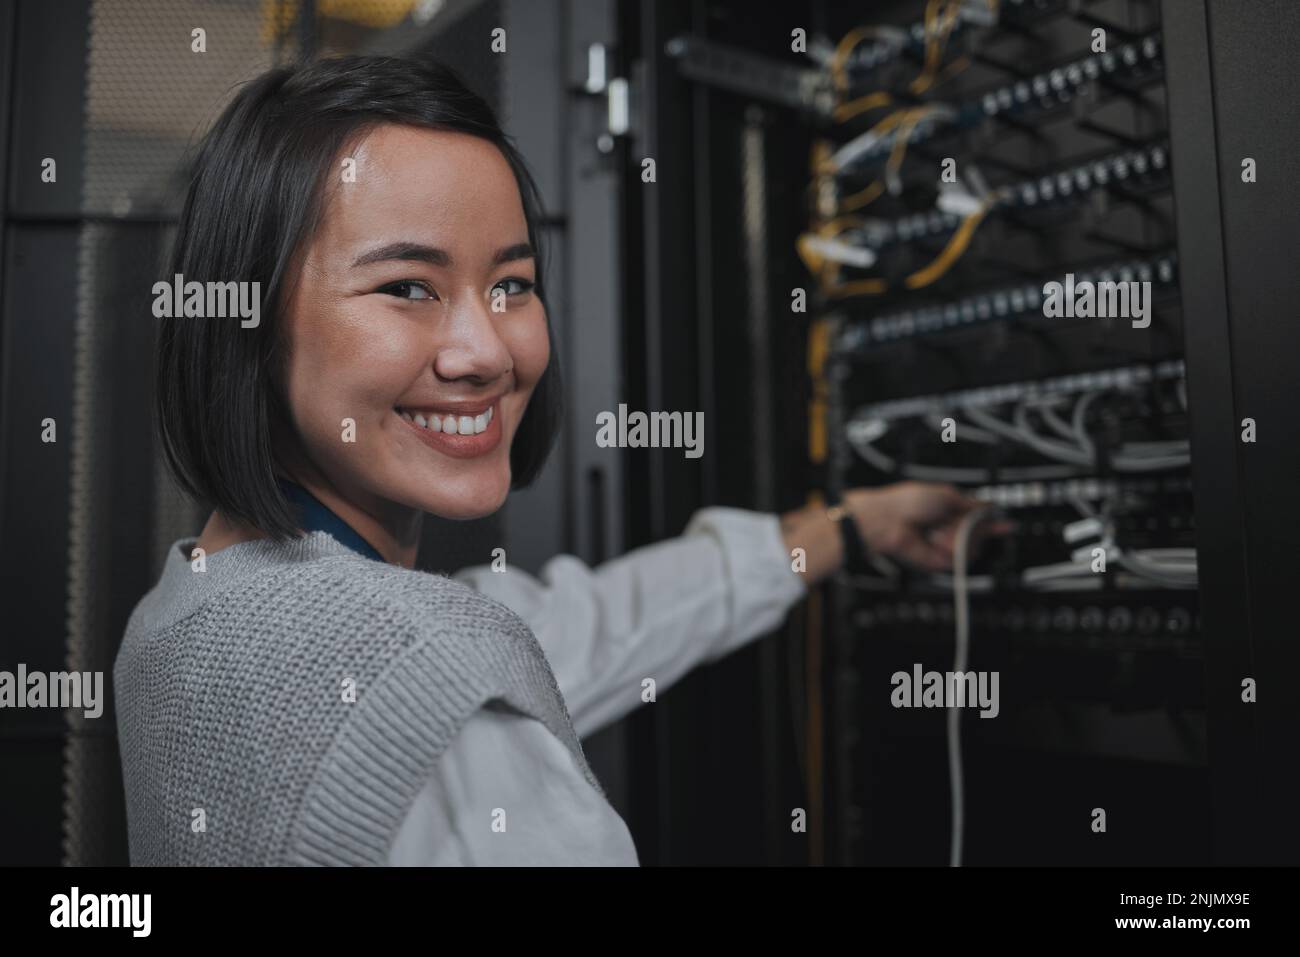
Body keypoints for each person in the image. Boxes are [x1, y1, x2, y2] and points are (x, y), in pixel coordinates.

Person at [113, 55, 990, 866]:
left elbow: (588, 630)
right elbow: (446, 672)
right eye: (407, 287)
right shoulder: (424, 691)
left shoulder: (187, 611)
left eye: (511, 284)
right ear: (248, 323)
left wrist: (849, 524)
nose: (485, 351)